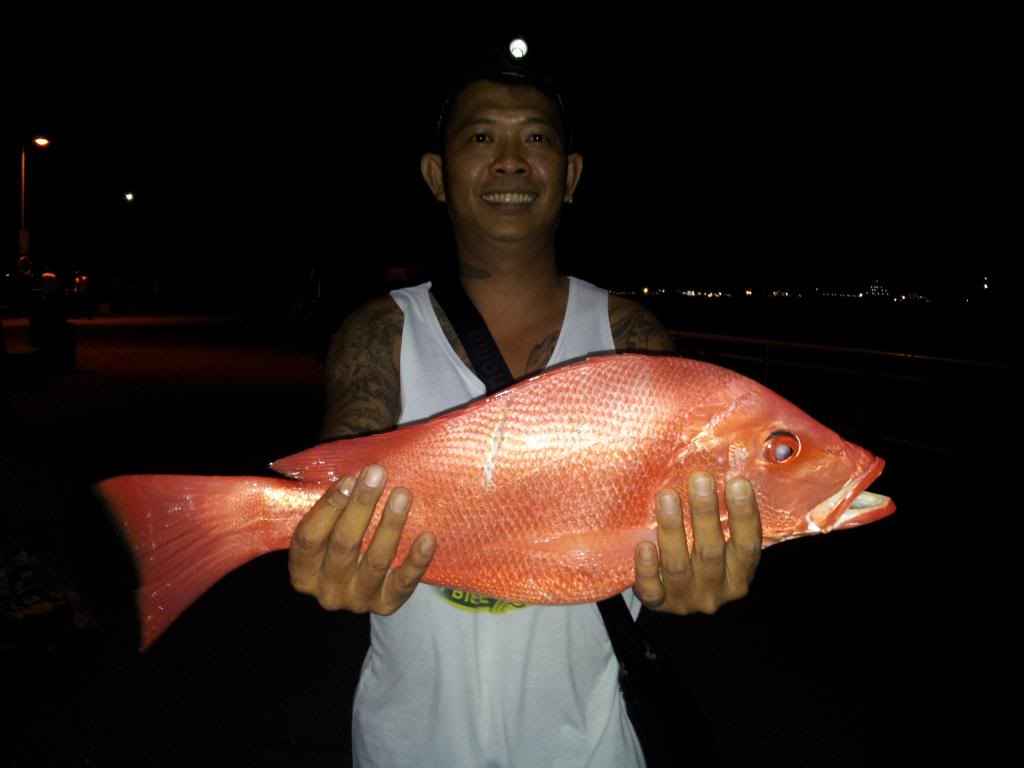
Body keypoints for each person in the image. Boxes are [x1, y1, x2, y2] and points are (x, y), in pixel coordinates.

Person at [288, 49, 763, 768]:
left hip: (590, 744)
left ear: (570, 176)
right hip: (410, 744)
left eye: (536, 138)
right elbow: (344, 469)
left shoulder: (630, 339)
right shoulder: (380, 331)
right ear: (436, 176)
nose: (510, 161)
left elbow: (656, 551)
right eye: (481, 138)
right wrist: (330, 547)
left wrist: (686, 578)